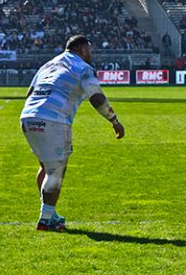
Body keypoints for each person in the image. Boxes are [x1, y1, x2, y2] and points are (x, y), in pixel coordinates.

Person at [20, 35, 125, 231]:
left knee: (46, 167)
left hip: (28, 116)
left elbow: (30, 92)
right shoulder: (82, 67)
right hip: (53, 119)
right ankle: (46, 219)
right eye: (90, 50)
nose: (91, 54)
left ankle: (50, 213)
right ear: (83, 50)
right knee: (56, 171)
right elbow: (96, 97)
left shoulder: (49, 64)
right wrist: (114, 121)